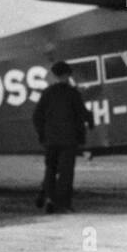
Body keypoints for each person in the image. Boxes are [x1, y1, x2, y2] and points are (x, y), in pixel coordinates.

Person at [32, 61, 92, 214]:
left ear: (55, 75)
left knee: (50, 169)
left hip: (51, 140)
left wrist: (43, 135)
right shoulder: (73, 93)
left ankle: (49, 198)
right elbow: (82, 113)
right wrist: (90, 124)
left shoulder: (47, 93)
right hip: (68, 140)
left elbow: (37, 116)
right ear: (67, 75)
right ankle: (62, 203)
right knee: (66, 172)